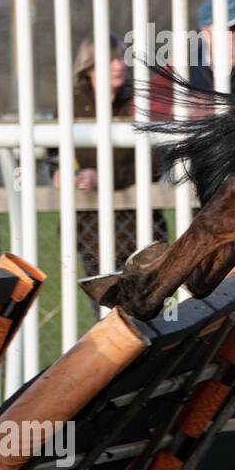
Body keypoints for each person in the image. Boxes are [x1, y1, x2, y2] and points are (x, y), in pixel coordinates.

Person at [50, 34, 170, 301]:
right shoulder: (70, 104)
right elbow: (54, 153)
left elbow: (157, 160)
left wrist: (104, 176)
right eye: (111, 60)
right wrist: (58, 173)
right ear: (90, 67)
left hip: (142, 228)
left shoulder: (139, 101)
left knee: (148, 311)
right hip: (91, 229)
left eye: (121, 59)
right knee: (107, 317)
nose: (119, 66)